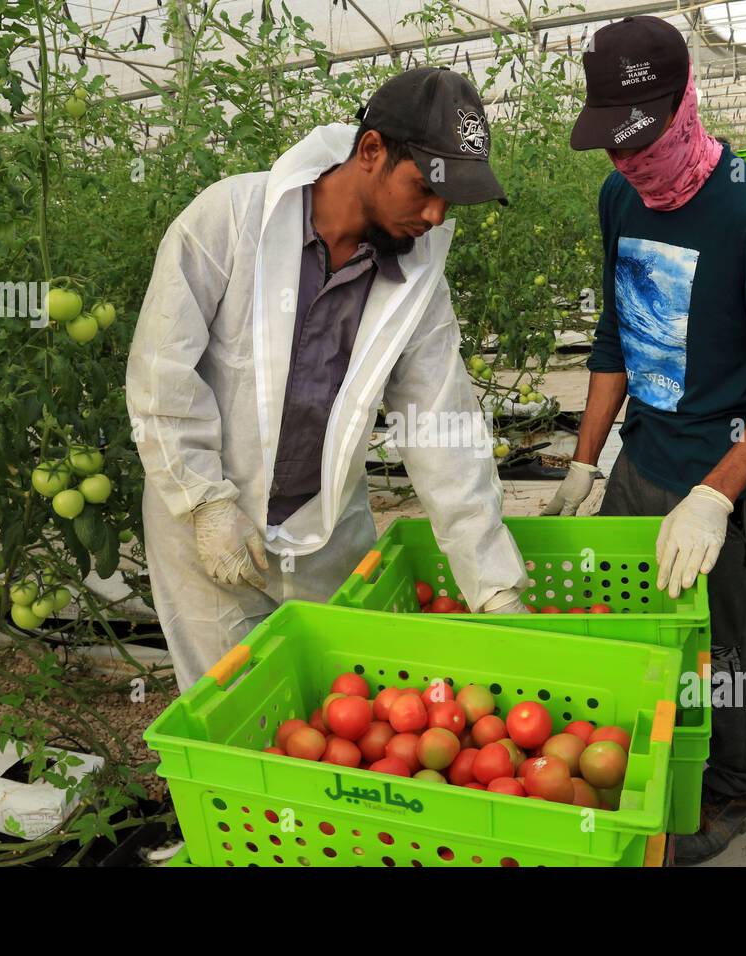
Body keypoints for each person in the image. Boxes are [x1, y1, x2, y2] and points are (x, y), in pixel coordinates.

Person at [127, 68, 529, 692]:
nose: (436, 214)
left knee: (330, 713)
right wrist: (205, 502)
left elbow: (442, 432)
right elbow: (162, 372)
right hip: (207, 531)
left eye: (451, 201)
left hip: (327, 537)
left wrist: (493, 585)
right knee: (230, 710)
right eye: (425, 188)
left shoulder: (418, 282)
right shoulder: (230, 220)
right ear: (371, 152)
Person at [545, 16, 746, 865]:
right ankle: (652, 759)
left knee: (727, 644)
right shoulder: (619, 198)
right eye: (612, 149)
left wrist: (718, 494)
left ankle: (732, 793)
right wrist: (585, 461)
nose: (627, 163)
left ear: (686, 107)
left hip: (721, 474)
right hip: (642, 458)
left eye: (640, 144)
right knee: (630, 625)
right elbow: (616, 337)